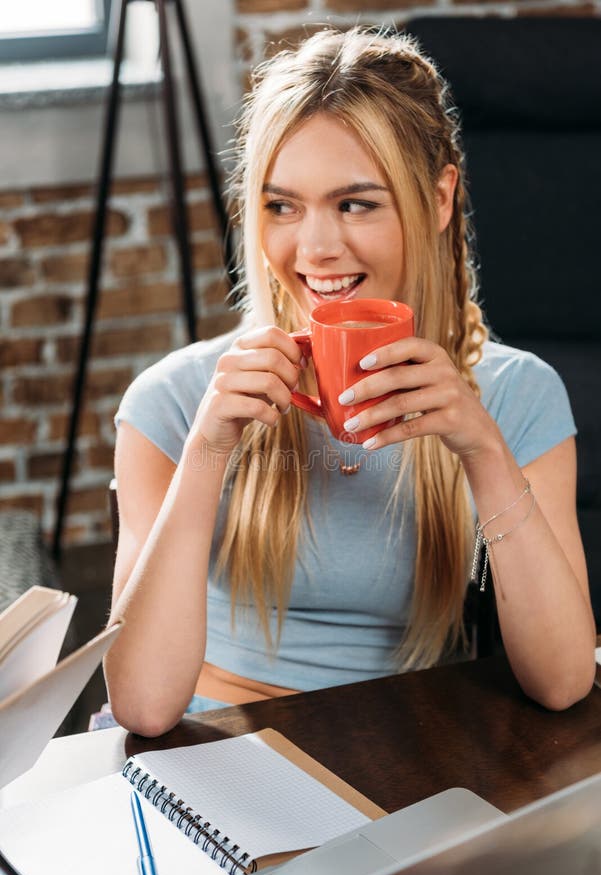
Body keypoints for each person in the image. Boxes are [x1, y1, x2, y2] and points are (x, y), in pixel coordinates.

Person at [105, 27, 595, 737]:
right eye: (281, 206)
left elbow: (561, 682)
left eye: (356, 203)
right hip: (206, 741)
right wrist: (210, 449)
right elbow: (144, 707)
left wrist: (482, 452)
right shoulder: (172, 400)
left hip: (402, 747)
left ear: (437, 201)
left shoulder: (518, 395)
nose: (315, 249)